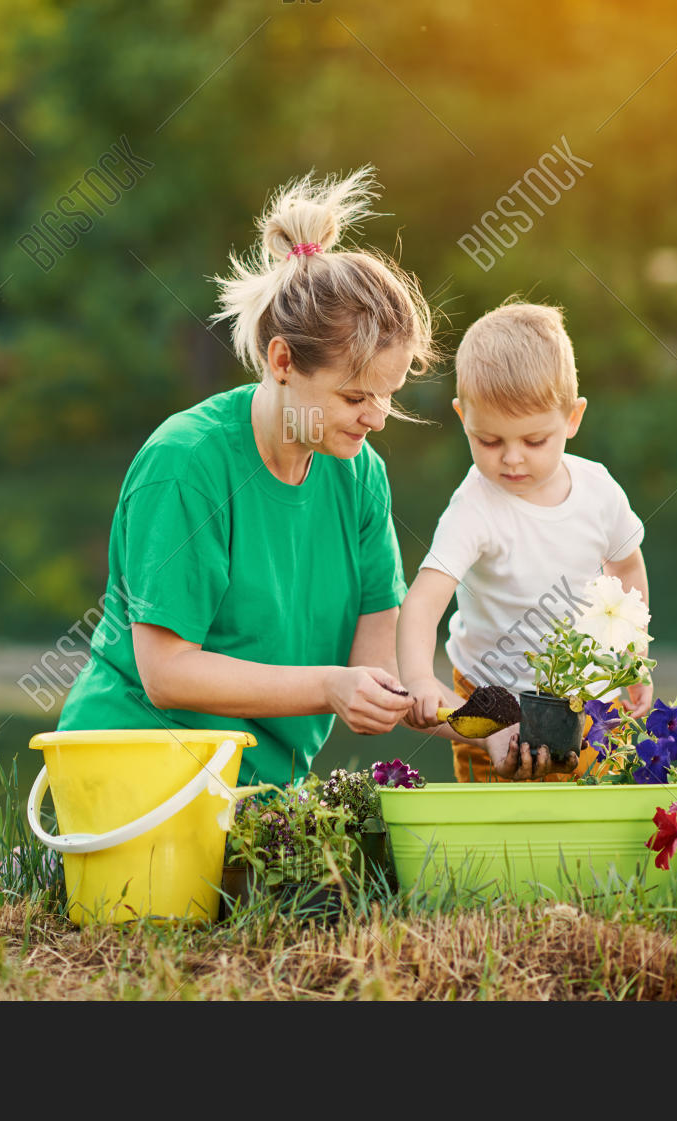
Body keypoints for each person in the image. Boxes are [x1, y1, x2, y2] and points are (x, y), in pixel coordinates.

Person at [56, 168, 435, 785]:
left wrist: (491, 726)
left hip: (262, 789)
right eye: (355, 397)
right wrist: (330, 687)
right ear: (282, 360)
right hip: (136, 768)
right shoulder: (185, 464)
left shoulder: (359, 475)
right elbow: (167, 673)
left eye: (388, 396)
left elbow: (378, 670)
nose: (377, 419)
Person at [397, 301, 654, 782]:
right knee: (495, 826)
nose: (511, 459)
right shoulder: (474, 506)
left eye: (534, 441)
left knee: (585, 815)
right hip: (491, 701)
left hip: (584, 692)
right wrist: (417, 679)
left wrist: (631, 659)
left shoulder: (598, 490)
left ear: (573, 419)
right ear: (462, 418)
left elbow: (626, 570)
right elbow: (422, 603)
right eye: (489, 441)